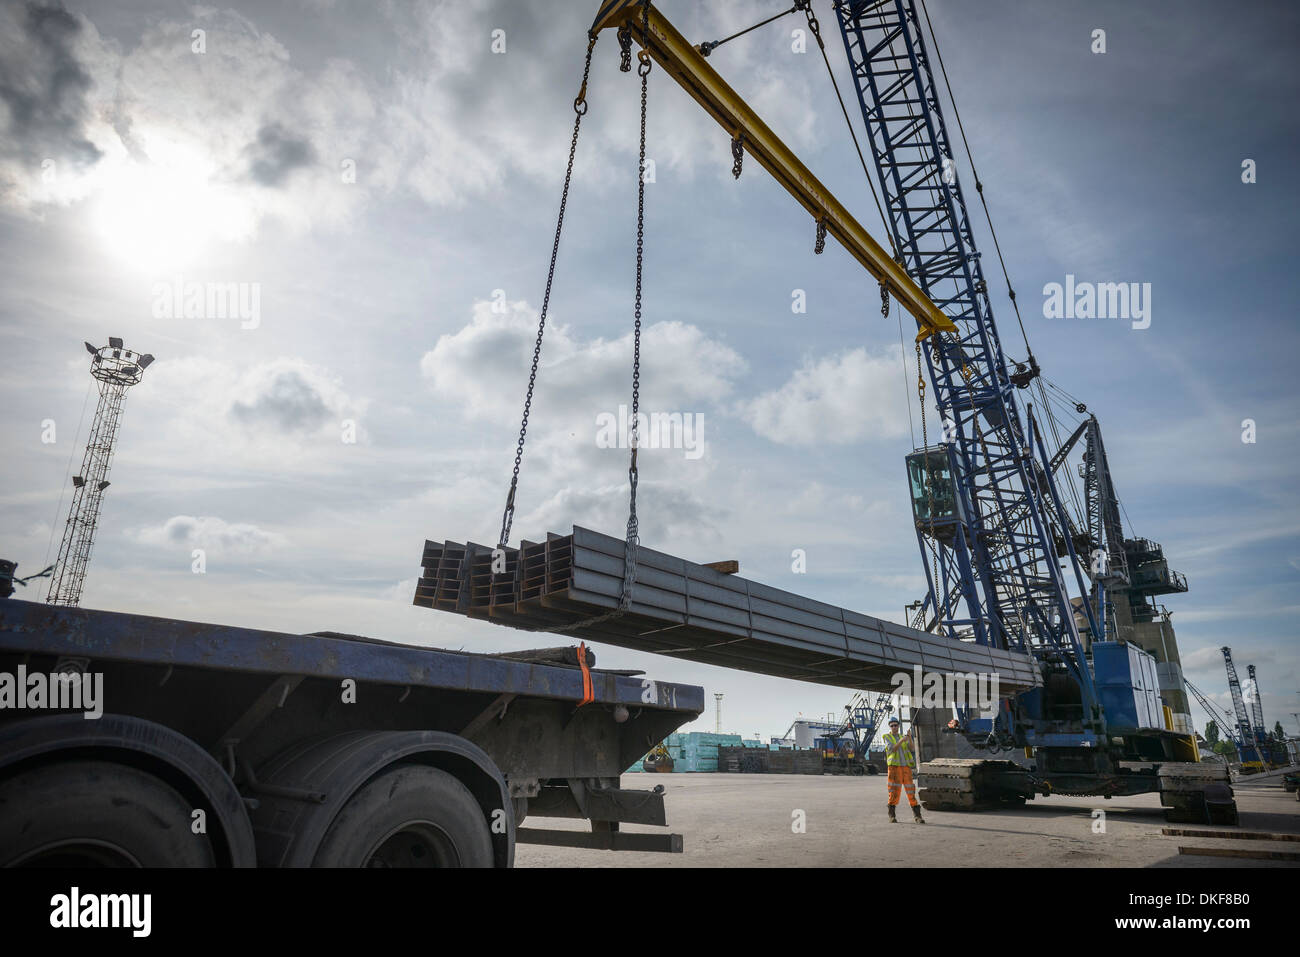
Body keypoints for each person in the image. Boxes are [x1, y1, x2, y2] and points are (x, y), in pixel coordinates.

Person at [882, 716, 924, 823]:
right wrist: (901, 740)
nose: (894, 727)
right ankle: (892, 815)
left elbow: (912, 748)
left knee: (911, 792)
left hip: (905, 768)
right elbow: (892, 749)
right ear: (890, 727)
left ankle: (918, 816)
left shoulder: (903, 737)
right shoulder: (886, 737)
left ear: (898, 726)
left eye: (896, 725)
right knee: (894, 792)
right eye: (892, 726)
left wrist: (909, 737)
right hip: (894, 768)